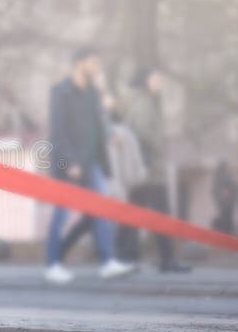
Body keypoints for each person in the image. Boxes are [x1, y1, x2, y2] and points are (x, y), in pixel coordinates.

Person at [45, 48, 136, 284]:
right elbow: (58, 132)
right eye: (94, 63)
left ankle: (107, 262)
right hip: (70, 163)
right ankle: (53, 264)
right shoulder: (60, 92)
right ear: (79, 64)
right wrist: (70, 162)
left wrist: (108, 135)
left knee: (100, 210)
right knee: (61, 215)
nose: (97, 68)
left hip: (92, 161)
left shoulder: (93, 93)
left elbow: (99, 123)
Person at [120, 67, 191, 272]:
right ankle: (166, 260)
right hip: (150, 168)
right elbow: (143, 131)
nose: (159, 82)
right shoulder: (144, 103)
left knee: (133, 213)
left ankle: (126, 256)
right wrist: (159, 147)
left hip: (144, 168)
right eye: (156, 79)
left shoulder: (141, 101)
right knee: (161, 214)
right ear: (145, 81)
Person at [60, 95, 147, 260]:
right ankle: (116, 254)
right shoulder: (94, 117)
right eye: (108, 100)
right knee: (94, 219)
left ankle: (118, 254)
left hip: (109, 177)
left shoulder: (118, 124)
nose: (112, 102)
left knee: (94, 219)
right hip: (100, 176)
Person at [212, 159, 238, 234]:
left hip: (226, 202)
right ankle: (227, 232)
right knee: (226, 218)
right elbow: (229, 186)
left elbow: (232, 187)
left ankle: (228, 232)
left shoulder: (222, 175)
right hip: (224, 202)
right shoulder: (221, 176)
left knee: (227, 218)